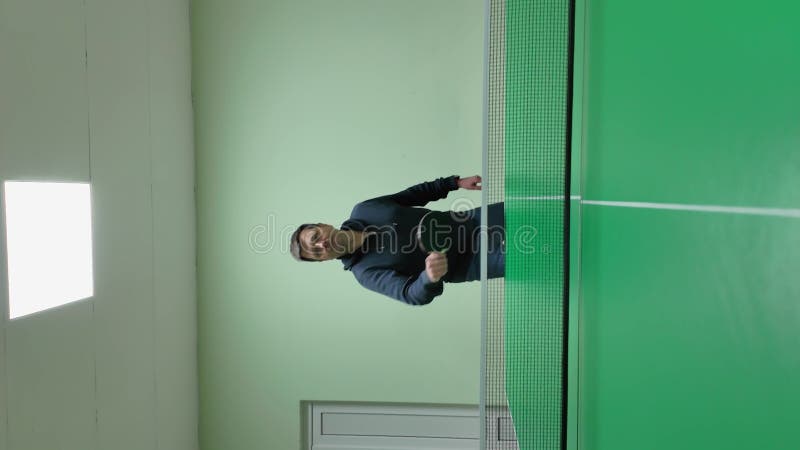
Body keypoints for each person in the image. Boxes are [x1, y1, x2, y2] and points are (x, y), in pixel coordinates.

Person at [290, 175, 505, 306]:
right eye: (316, 251)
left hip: (473, 221)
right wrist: (428, 278)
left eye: (316, 237)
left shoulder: (364, 209)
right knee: (532, 259)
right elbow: (409, 294)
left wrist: (454, 183)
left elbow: (413, 195)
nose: (322, 245)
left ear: (322, 225)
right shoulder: (366, 274)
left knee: (535, 214)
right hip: (473, 263)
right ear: (323, 260)